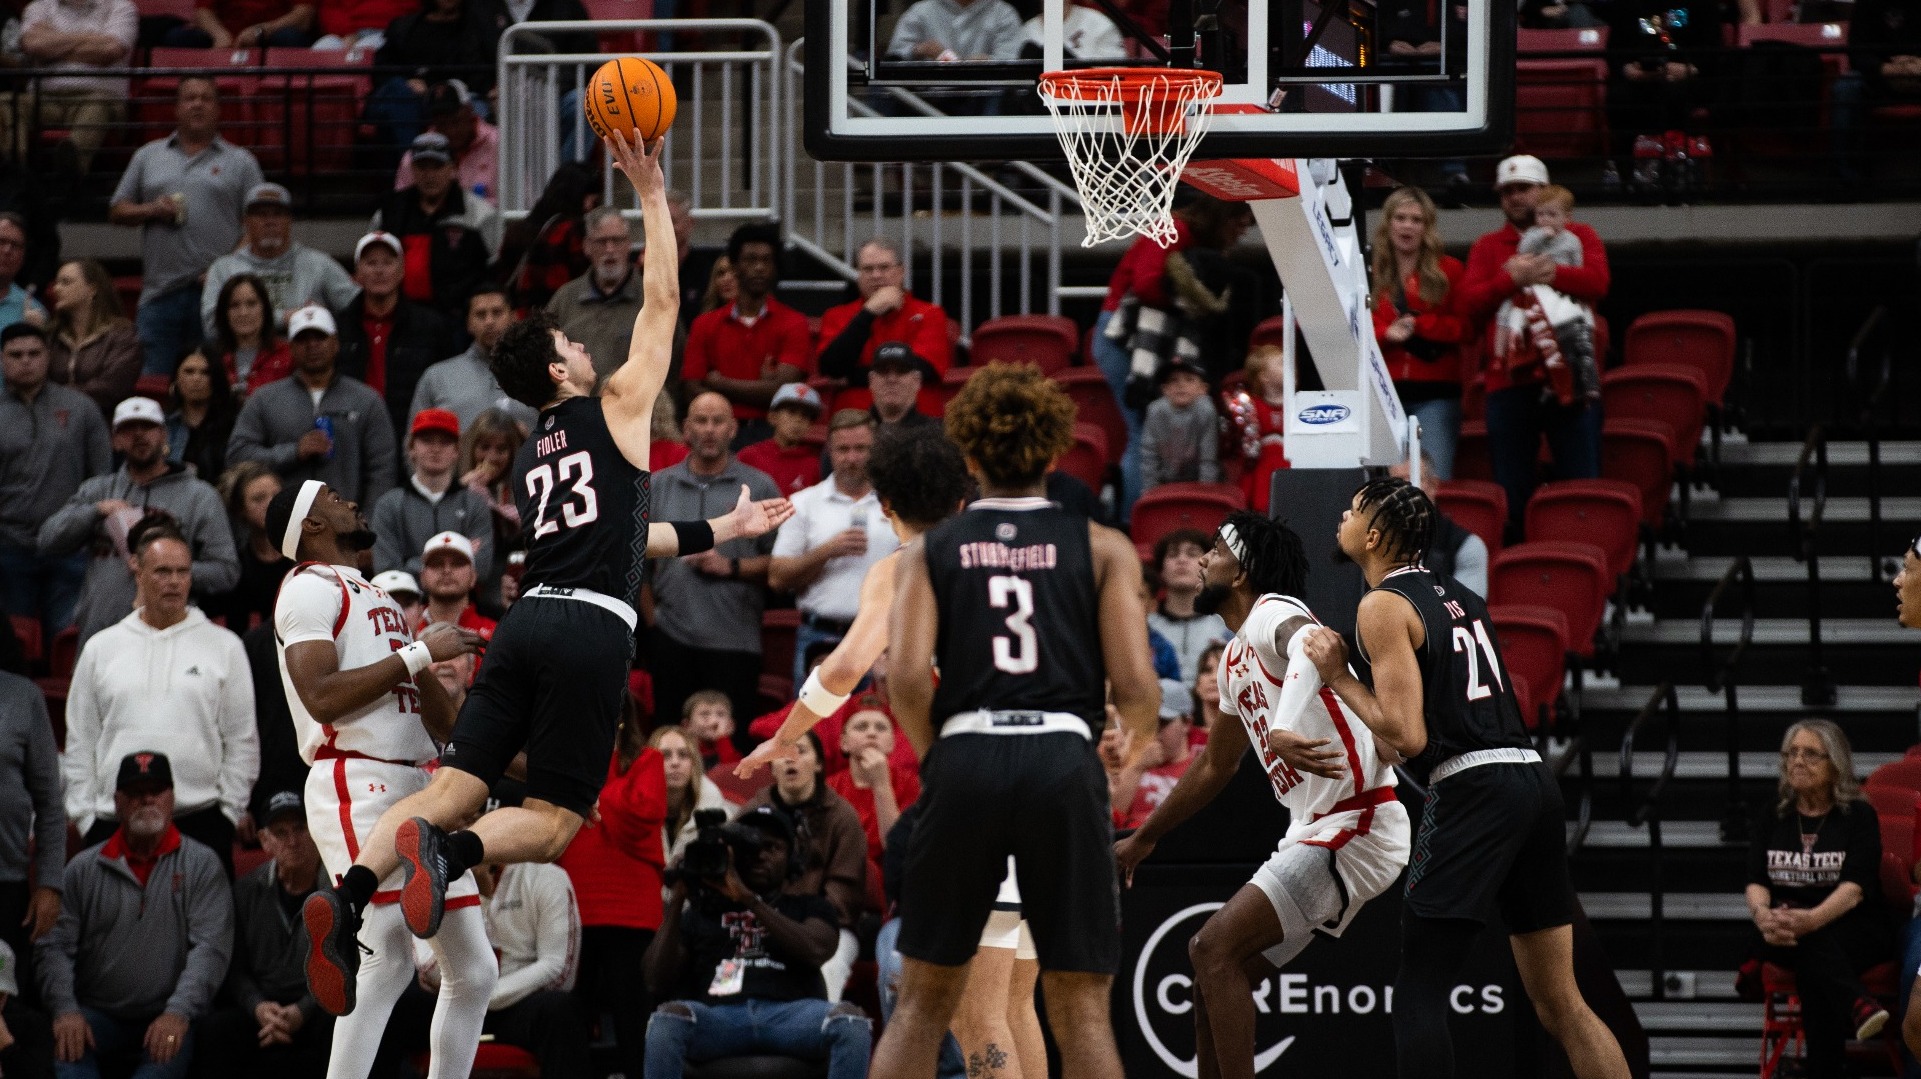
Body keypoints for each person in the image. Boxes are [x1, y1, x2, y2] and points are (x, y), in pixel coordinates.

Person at [300, 133, 791, 1019]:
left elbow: (626, 536)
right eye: (571, 339)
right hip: (591, 628)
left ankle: (348, 895)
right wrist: (648, 190)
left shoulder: (533, 456)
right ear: (560, 367)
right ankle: (447, 858)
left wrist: (727, 524)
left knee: (451, 789)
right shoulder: (616, 412)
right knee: (559, 819)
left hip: (526, 617)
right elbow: (666, 298)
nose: (586, 343)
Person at [872, 362, 1161, 1079]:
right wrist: (1128, 750)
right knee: (1080, 1010)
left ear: (968, 454)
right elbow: (1135, 685)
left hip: (967, 752)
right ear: (1055, 450)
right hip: (1061, 759)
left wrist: (938, 755)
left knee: (920, 1005)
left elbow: (903, 676)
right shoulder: (1102, 546)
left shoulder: (931, 550)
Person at [1299, 476, 1629, 1079]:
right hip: (1530, 777)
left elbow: (1407, 737)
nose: (1339, 518)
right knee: (1562, 1002)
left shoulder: (1380, 605)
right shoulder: (1460, 596)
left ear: (1373, 536)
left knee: (1418, 991)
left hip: (1475, 786)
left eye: (1350, 512)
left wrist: (1337, 675)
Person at [1115, 513, 1412, 1079]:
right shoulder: (1231, 660)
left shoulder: (1274, 611)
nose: (1201, 560)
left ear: (1245, 569)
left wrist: (1284, 725)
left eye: (1216, 550)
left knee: (1209, 950)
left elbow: (1314, 645)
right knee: (1214, 974)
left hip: (1358, 821)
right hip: (1318, 828)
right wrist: (1143, 838)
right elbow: (1214, 765)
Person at [261, 479, 497, 1079]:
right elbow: (320, 696)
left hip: (419, 781)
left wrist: (514, 762)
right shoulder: (307, 587)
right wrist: (419, 654)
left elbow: (439, 722)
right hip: (354, 777)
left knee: (474, 969)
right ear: (311, 526)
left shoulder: (382, 600)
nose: (351, 502)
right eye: (333, 498)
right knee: (387, 958)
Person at [63, 524, 257, 869]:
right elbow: (80, 740)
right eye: (163, 571)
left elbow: (242, 741)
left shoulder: (225, 647)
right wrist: (85, 818)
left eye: (183, 572)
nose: (175, 581)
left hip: (202, 821)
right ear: (137, 571)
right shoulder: (100, 648)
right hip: (112, 824)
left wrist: (228, 814)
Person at [37, 752, 234, 1079]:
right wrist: (65, 1010)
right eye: (134, 792)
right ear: (116, 802)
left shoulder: (202, 865)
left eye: (156, 790)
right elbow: (53, 947)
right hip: (94, 1015)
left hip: (169, 1017)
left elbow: (210, 949)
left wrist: (178, 1013)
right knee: (67, 1062)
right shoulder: (81, 869)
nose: (146, 800)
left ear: (172, 798)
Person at [641, 805, 871, 1079]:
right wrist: (678, 898)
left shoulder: (810, 906)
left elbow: (815, 950)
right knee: (666, 1021)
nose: (761, 856)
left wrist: (749, 900)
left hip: (792, 1017)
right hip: (719, 1018)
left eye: (772, 848)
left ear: (791, 858)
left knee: (850, 1021)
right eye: (751, 849)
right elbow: (654, 979)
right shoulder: (704, 910)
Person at [1458, 156, 1610, 540]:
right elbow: (1469, 306)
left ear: (1543, 190)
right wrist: (1509, 280)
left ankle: (1582, 566)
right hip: (1509, 379)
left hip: (1570, 373)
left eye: (1524, 188)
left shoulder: (1580, 235)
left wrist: (1551, 272)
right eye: (1508, 191)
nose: (1515, 197)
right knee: (1512, 488)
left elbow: (1599, 282)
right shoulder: (1487, 246)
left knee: (1581, 484)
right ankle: (1517, 576)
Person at [1091, 196, 1252, 522]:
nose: (1243, 233)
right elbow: (1147, 284)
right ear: (1222, 217)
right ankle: (1133, 522)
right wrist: (1194, 302)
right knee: (1142, 432)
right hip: (1125, 336)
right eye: (1240, 224)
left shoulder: (1198, 243)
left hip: (1153, 341)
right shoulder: (1173, 228)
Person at [37, 396, 240, 651]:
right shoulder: (98, 491)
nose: (139, 435)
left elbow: (226, 572)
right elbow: (47, 540)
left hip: (168, 635)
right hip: (101, 632)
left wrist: (167, 571)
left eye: (148, 427)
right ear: (115, 439)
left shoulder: (199, 496)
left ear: (164, 434)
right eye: (129, 429)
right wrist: (97, 511)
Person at [1747, 720, 1889, 1079]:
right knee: (1805, 942)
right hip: (1784, 928)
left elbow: (1856, 887)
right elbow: (1755, 879)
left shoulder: (1859, 816)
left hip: (1850, 924)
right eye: (1792, 753)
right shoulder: (1773, 814)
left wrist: (1809, 919)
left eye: (1811, 754)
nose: (1798, 761)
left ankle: (1822, 1069)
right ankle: (1856, 1004)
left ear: (1835, 763)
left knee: (1812, 950)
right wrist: (1762, 915)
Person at [109, 77, 265, 377]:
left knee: (218, 382)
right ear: (176, 108)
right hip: (159, 295)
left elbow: (256, 227)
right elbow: (117, 210)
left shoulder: (241, 161)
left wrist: (225, 267)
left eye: (206, 99)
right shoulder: (148, 155)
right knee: (154, 385)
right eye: (190, 98)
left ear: (219, 109)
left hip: (219, 299)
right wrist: (152, 209)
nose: (197, 104)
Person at [648, 391, 787, 727]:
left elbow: (783, 566)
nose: (709, 429)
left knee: (729, 750)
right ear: (686, 428)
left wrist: (732, 567)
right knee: (669, 743)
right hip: (671, 641)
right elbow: (636, 564)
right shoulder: (657, 485)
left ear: (733, 429)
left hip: (734, 642)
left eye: (718, 421)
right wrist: (654, 624)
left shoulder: (758, 486)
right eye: (701, 420)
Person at [556, 699, 666, 1079]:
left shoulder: (648, 759)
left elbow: (645, 812)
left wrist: (593, 794)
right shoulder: (566, 759)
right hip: (574, 897)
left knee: (630, 1006)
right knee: (574, 1007)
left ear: (621, 718)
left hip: (629, 903)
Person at [196, 790, 333, 1079]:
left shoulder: (338, 891)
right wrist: (257, 1007)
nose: (293, 841)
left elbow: (347, 966)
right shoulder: (245, 891)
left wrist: (302, 1011)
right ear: (264, 841)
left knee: (345, 1023)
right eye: (281, 833)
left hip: (319, 1008)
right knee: (215, 1030)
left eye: (300, 829)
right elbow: (235, 968)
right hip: (263, 1007)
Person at [738, 732, 870, 1001]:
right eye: (782, 754)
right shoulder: (752, 813)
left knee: (827, 968)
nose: (791, 760)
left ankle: (816, 1035)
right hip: (762, 917)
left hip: (826, 924)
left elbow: (843, 893)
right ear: (771, 766)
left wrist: (800, 925)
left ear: (819, 764)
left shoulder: (842, 816)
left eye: (801, 751)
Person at [770, 410, 898, 686]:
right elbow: (777, 577)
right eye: (843, 449)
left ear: (875, 450)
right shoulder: (803, 503)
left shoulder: (898, 504)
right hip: (820, 637)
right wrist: (826, 550)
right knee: (815, 728)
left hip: (883, 639)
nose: (852, 458)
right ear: (829, 450)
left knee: (879, 725)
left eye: (861, 449)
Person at [227, 305, 400, 508]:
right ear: (290, 347)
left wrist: (365, 524)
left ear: (335, 343)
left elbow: (382, 470)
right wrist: (294, 452)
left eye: (320, 338)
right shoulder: (264, 398)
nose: (312, 346)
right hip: (284, 525)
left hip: (344, 527)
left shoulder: (366, 400)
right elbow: (237, 456)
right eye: (302, 339)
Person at [0, 322, 111, 637]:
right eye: (16, 354)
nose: (26, 361)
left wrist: (85, 529)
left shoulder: (81, 408)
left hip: (69, 547)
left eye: (34, 353)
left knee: (69, 639)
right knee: (13, 644)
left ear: (48, 356)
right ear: (1, 359)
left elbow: (102, 478)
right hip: (8, 549)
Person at [446, 859, 591, 1079]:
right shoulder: (448, 878)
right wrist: (481, 894)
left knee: (561, 1010)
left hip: (519, 1002)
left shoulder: (547, 877)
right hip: (460, 997)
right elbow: (428, 966)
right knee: (399, 1002)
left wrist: (491, 994)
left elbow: (557, 967)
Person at [1370, 186, 1470, 480]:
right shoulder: (1368, 271)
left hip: (1435, 396)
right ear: (1388, 223)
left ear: (1427, 227)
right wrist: (1386, 334)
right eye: (1400, 218)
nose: (1408, 226)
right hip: (1383, 394)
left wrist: (1421, 325)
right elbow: (1355, 332)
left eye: (1416, 219)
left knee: (1431, 480)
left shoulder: (1449, 270)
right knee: (1381, 487)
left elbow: (1466, 328)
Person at [681, 222, 811, 443]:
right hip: (718, 433)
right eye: (751, 260)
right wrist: (760, 390)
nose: (759, 267)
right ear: (735, 265)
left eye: (766, 260)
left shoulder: (794, 323)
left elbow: (781, 392)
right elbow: (691, 388)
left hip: (771, 435)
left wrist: (720, 383)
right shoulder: (705, 324)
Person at [1490, 185, 1601, 416]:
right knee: (1509, 313)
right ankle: (1502, 357)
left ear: (1566, 218)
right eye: (1541, 215)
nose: (1545, 220)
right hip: (1530, 292)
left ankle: (1584, 379)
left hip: (1560, 297)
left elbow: (1582, 273)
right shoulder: (1532, 234)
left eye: (1552, 215)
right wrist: (1540, 237)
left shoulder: (1574, 240)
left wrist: (1556, 275)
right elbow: (1524, 252)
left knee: (1581, 324)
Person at [333, 230, 453, 443]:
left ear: (401, 271)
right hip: (351, 436)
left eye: (387, 262)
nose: (379, 270)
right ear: (357, 273)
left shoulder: (431, 326)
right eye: (371, 263)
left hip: (412, 435)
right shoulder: (337, 327)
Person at [200, 184, 361, 341]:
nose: (270, 221)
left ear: (290, 220)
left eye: (278, 214)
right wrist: (286, 318)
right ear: (245, 222)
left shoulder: (319, 264)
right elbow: (212, 327)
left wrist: (323, 317)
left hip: (304, 361)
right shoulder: (223, 269)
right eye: (261, 215)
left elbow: (359, 307)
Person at [370, 133, 501, 322]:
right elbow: (372, 262)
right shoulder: (389, 212)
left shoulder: (480, 215)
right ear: (412, 169)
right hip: (400, 319)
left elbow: (494, 273)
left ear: (453, 169)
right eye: (422, 167)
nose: (429, 175)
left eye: (437, 167)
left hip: (458, 321)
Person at [814, 239, 952, 416]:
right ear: (859, 275)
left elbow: (923, 369)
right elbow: (832, 368)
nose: (876, 275)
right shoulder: (836, 316)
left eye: (884, 267)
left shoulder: (930, 314)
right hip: (855, 429)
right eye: (868, 269)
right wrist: (868, 313)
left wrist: (852, 377)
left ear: (901, 272)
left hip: (916, 424)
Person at [6, 0, 137, 175]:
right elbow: (33, 44)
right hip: (44, 100)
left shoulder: (120, 7)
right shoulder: (38, 7)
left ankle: (69, 175)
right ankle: (16, 174)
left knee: (97, 106)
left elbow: (110, 50)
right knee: (6, 103)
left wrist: (51, 43)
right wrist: (90, 38)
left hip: (96, 97)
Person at [0, 651, 62, 1008]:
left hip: (7, 885)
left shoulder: (24, 697)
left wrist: (49, 883)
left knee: (6, 1008)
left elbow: (50, 805)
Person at [367, 0, 506, 160]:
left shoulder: (478, 28)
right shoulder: (404, 27)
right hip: (412, 101)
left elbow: (480, 74)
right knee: (398, 92)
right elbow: (381, 71)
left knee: (475, 107)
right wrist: (408, 81)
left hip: (457, 98)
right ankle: (414, 164)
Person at [371, 410, 494, 580]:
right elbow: (387, 573)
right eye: (427, 441)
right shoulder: (389, 505)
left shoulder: (474, 504)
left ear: (457, 450)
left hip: (462, 605)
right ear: (411, 448)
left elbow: (482, 568)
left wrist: (411, 564)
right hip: (406, 605)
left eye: (444, 442)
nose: (436, 449)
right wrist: (459, 556)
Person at [545, 207, 647, 388]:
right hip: (576, 409)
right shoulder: (564, 299)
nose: (610, 249)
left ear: (629, 244)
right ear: (587, 246)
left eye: (617, 240)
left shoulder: (650, 299)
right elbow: (544, 355)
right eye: (601, 241)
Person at [409, 287, 535, 434]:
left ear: (515, 317)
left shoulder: (539, 374)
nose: (489, 321)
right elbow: (413, 445)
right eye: (480, 315)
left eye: (497, 312)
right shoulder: (437, 377)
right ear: (468, 323)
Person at [825, 701, 921, 864]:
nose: (871, 733)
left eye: (881, 728)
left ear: (892, 742)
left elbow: (899, 850)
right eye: (861, 727)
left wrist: (881, 784)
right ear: (844, 743)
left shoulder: (911, 784)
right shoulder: (829, 788)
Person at [45, 260, 142, 419]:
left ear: (92, 289)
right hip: (54, 424)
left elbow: (111, 388)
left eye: (66, 282)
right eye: (56, 282)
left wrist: (56, 397)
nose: (56, 288)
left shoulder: (122, 336)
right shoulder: (51, 335)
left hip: (103, 423)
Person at [501, 163, 598, 317]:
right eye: (593, 198)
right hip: (559, 317)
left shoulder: (517, 230)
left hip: (521, 319)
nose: (592, 206)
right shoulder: (572, 231)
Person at [1390, 453, 1488, 597]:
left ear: (1433, 485)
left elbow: (1464, 611)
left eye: (1413, 479)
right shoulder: (1374, 542)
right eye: (1396, 482)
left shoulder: (1466, 546)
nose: (1404, 490)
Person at [207, 462, 290, 632]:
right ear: (240, 509)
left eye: (277, 495)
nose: (271, 503)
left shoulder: (304, 557)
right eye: (258, 499)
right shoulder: (237, 568)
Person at [1111, 679, 1199, 830]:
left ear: (1187, 724)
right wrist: (1138, 767)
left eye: (1163, 722)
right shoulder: (1128, 762)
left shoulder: (1197, 772)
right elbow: (1109, 818)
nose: (1155, 730)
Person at [393, 81, 499, 205]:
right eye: (442, 124)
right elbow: (401, 207)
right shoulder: (414, 158)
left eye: (456, 121)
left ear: (469, 110)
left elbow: (518, 203)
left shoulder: (500, 144)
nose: (451, 131)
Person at [1147, 529, 1230, 684]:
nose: (1182, 560)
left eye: (1192, 554)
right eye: (1173, 555)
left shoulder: (1226, 624)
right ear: (1161, 570)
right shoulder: (1146, 626)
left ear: (1207, 567)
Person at [653, 725, 734, 868]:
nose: (675, 763)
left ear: (694, 763)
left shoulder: (721, 816)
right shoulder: (631, 812)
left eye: (683, 755)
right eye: (665, 755)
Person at [1222, 344, 1289, 513]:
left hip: (1290, 469)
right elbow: (1246, 447)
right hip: (1262, 471)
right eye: (1281, 363)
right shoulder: (1251, 406)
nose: (1289, 367)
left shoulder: (1298, 405)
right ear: (1264, 377)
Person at [1140, 357, 1220, 491]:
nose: (1181, 385)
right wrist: (1150, 493)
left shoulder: (1206, 411)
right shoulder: (1155, 411)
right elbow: (1149, 456)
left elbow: (1209, 459)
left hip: (1198, 484)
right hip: (1166, 483)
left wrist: (1206, 494)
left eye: (1189, 379)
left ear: (1203, 389)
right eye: (1173, 380)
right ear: (1164, 389)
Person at [738, 381, 826, 497]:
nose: (798, 420)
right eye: (791, 412)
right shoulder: (749, 456)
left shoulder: (813, 465)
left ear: (810, 425)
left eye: (805, 416)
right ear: (773, 417)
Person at [211, 274, 294, 396]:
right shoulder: (211, 359)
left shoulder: (289, 354)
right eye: (234, 305)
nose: (243, 313)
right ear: (224, 313)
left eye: (251, 304)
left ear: (264, 309)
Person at [165, 351, 238, 480]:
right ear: (176, 377)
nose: (196, 379)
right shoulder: (163, 425)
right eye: (189, 371)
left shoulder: (235, 423)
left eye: (205, 372)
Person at [414, 531, 497, 642]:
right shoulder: (405, 633)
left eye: (458, 563)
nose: (446, 570)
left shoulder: (496, 635)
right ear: (422, 577)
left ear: (473, 577)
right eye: (437, 563)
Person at [865, 342, 942, 433]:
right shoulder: (850, 437)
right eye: (883, 371)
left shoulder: (941, 435)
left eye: (901, 371)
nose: (892, 379)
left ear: (917, 381)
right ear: (871, 380)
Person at [166, 0, 314, 45]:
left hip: (271, 34)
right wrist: (219, 34)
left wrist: (261, 30)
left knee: (290, 39)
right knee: (177, 37)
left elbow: (304, 13)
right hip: (225, 37)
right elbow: (203, 11)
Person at [0, 214, 47, 334]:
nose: (7, 250)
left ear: (23, 257)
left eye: (15, 245)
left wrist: (36, 333)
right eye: (1, 242)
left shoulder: (35, 311)